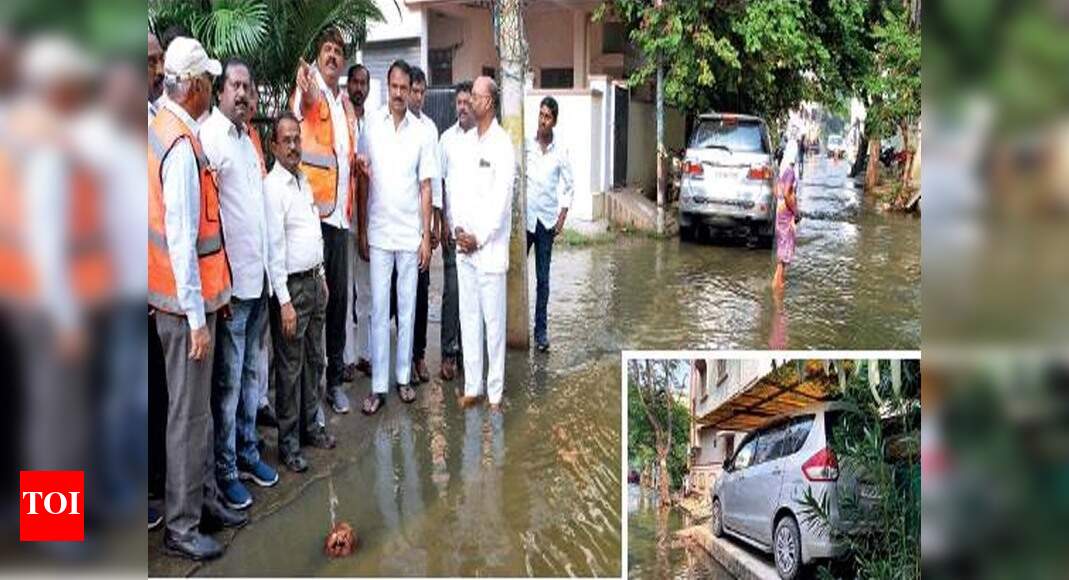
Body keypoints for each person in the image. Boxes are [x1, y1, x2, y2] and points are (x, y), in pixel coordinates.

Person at [148, 36, 246, 561]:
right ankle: (182, 527)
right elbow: (183, 242)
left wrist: (212, 300)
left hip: (190, 302)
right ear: (193, 87)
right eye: (206, 81)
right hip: (183, 309)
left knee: (198, 415)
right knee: (187, 419)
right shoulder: (179, 147)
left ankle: (204, 503)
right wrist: (196, 319)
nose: (209, 87)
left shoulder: (164, 130)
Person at [200, 58, 279, 511]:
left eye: (248, 86)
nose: (244, 93)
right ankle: (226, 468)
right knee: (228, 385)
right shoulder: (211, 138)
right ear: (220, 91)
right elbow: (210, 219)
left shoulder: (249, 141)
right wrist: (223, 283)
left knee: (252, 375)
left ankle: (248, 452)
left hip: (258, 281)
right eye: (235, 85)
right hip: (231, 288)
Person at [360, 59, 436, 415]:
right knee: (379, 309)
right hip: (378, 231)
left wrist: (425, 238)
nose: (400, 94)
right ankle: (378, 386)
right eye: (395, 87)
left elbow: (425, 187)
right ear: (386, 87)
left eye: (405, 88)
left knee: (407, 309)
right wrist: (361, 228)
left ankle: (403, 378)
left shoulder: (422, 132)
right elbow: (362, 179)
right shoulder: (370, 125)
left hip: (408, 235)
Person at [291, 26, 359, 415]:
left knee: (336, 307)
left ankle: (333, 384)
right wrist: (305, 86)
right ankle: (311, 389)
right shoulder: (311, 88)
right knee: (315, 306)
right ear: (318, 57)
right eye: (327, 50)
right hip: (314, 219)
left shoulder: (344, 101)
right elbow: (302, 106)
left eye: (338, 51)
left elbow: (342, 155)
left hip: (340, 220)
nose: (333, 56)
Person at [265, 112, 337, 474]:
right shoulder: (273, 187)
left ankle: (312, 428)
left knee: (314, 360)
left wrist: (321, 274)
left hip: (313, 282)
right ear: (274, 145)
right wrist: (284, 302)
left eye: (297, 138)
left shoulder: (302, 181)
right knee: (289, 370)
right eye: (287, 140)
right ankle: (289, 444)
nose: (294, 145)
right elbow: (273, 250)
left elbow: (312, 233)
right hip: (291, 290)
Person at [452, 76, 514, 412]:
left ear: (488, 102)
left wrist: (480, 237)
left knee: (494, 326)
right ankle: (473, 388)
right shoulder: (467, 143)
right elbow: (459, 192)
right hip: (465, 250)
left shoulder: (502, 145)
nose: (468, 101)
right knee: (469, 320)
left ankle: (494, 395)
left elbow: (501, 202)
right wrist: (459, 230)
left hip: (488, 252)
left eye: (474, 96)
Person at [525, 96, 573, 352]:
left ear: (554, 121)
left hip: (545, 223)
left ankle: (540, 332)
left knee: (543, 280)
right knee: (513, 273)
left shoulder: (560, 151)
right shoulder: (526, 145)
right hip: (525, 220)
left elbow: (569, 184)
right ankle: (511, 326)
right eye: (541, 115)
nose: (542, 121)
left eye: (547, 117)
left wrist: (562, 217)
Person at [436, 81, 475, 381]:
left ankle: (467, 353)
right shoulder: (446, 140)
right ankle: (448, 353)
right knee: (452, 291)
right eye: (459, 102)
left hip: (475, 232)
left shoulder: (481, 139)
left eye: (467, 101)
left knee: (472, 292)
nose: (463, 106)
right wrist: (443, 222)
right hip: (452, 229)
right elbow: (440, 184)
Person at [406, 65, 441, 384]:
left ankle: (418, 356)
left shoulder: (430, 129)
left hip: (422, 227)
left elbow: (434, 181)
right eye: (412, 90)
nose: (417, 96)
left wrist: (435, 224)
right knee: (395, 295)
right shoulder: (394, 124)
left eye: (420, 91)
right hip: (396, 227)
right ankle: (398, 358)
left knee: (420, 290)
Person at [344, 62, 373, 381]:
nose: (359, 88)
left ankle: (365, 353)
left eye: (364, 82)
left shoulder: (374, 122)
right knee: (344, 292)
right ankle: (346, 357)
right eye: (355, 81)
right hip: (344, 217)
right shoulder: (341, 119)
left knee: (365, 291)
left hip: (367, 219)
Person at [772, 139, 799, 293]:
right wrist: (796, 212)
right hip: (786, 213)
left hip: (780, 211)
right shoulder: (789, 170)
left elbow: (778, 191)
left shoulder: (781, 168)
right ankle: (778, 292)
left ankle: (778, 287)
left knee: (783, 253)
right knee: (784, 258)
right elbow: (788, 193)